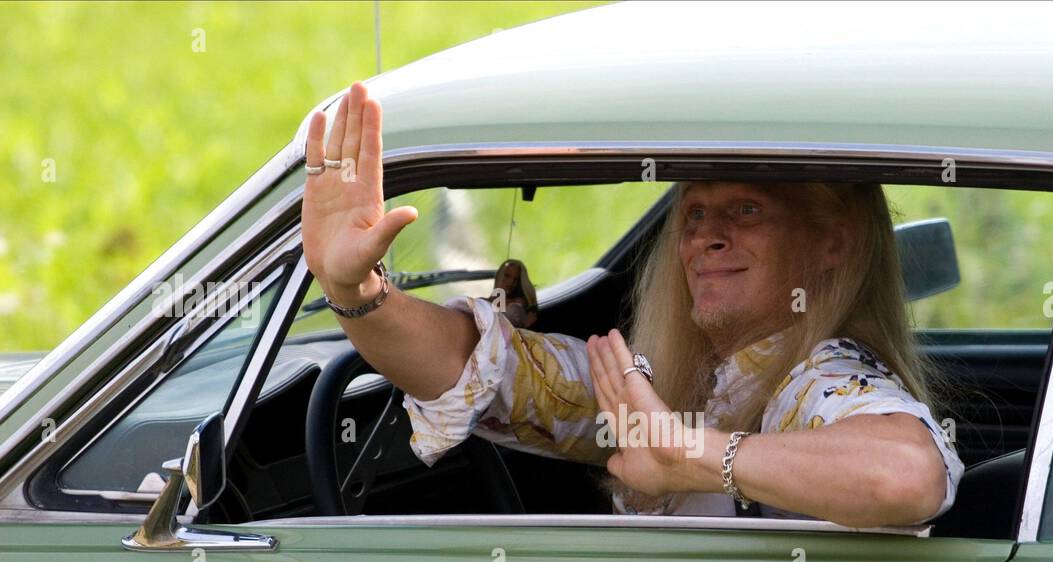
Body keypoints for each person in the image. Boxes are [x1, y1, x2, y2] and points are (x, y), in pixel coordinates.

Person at [302, 82, 963, 528]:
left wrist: (685, 452)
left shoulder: (821, 377)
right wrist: (356, 294)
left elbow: (905, 476)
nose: (706, 235)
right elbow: (474, 366)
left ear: (834, 243)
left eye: (747, 209)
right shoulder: (670, 385)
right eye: (696, 212)